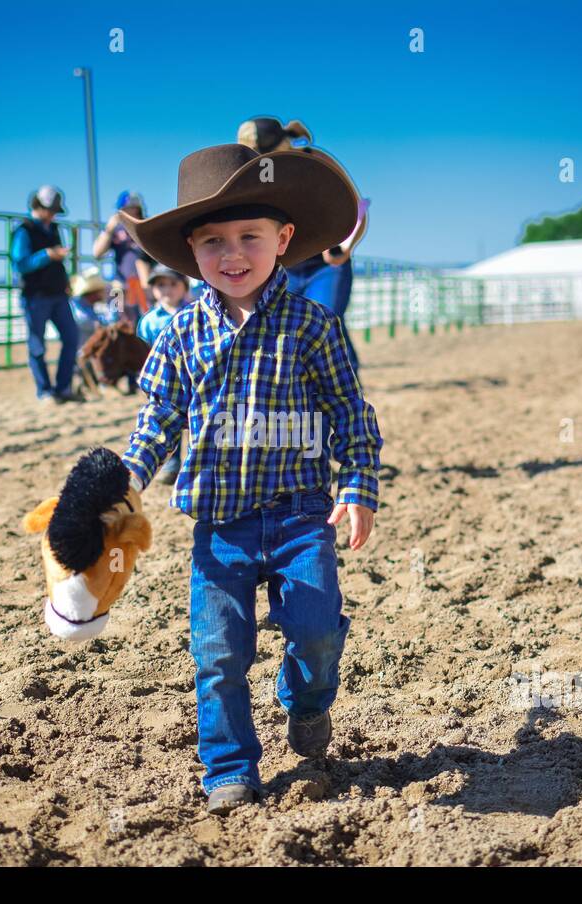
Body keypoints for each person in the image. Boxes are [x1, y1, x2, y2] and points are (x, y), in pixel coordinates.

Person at [117, 143, 382, 814]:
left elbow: (349, 412)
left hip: (300, 517)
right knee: (217, 654)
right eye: (212, 242)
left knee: (317, 629)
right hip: (220, 527)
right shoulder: (179, 334)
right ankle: (230, 769)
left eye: (248, 237)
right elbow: (158, 416)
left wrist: (356, 483)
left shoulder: (311, 324)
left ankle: (307, 698)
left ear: (283, 239)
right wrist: (130, 475)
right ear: (189, 250)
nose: (231, 254)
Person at [238, 117, 368, 375]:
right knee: (292, 333)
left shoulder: (315, 161)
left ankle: (347, 382)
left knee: (323, 322)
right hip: (284, 269)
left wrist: (344, 248)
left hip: (325, 265)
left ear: (283, 144)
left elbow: (357, 208)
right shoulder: (251, 173)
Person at [10, 185, 84, 404]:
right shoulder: (23, 230)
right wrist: (47, 255)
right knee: (37, 345)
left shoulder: (52, 229)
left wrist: (65, 280)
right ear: (38, 206)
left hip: (58, 294)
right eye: (49, 210)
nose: (52, 214)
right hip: (35, 296)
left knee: (71, 337)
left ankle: (63, 388)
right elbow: (20, 263)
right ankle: (45, 391)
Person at [136, 264, 191, 485]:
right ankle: (171, 463)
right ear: (153, 289)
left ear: (184, 287)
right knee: (168, 421)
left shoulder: (193, 314)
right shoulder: (148, 321)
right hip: (164, 381)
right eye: (160, 285)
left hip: (193, 378)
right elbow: (143, 352)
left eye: (172, 283)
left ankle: (194, 462)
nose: (167, 289)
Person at [93, 191, 154, 325]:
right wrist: (109, 229)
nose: (129, 212)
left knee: (145, 324)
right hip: (119, 284)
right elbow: (97, 252)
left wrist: (149, 284)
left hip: (142, 286)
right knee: (117, 323)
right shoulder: (116, 228)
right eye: (125, 209)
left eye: (133, 209)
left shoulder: (146, 226)